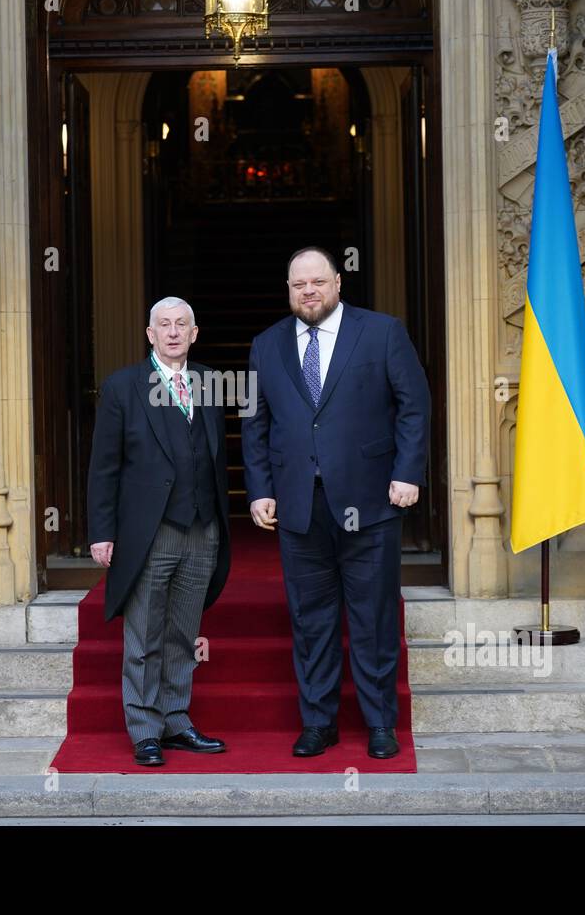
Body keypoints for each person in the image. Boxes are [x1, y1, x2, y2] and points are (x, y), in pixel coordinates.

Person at [242, 247, 431, 759]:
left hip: (372, 501)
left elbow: (414, 406)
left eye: (318, 282)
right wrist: (259, 489)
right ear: (288, 289)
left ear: (338, 283)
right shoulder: (266, 345)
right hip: (300, 508)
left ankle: (379, 724)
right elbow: (254, 423)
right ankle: (318, 722)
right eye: (299, 284)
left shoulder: (382, 332)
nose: (309, 291)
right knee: (310, 620)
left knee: (373, 618)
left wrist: (408, 473)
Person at [87, 296, 232, 766]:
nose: (172, 332)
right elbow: (104, 467)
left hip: (202, 527)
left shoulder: (210, 382)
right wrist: (102, 532)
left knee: (183, 632)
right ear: (150, 334)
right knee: (145, 633)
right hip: (150, 531)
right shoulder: (123, 387)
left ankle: (175, 719)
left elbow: (212, 455)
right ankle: (145, 728)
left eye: (181, 325)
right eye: (163, 325)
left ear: (194, 333)